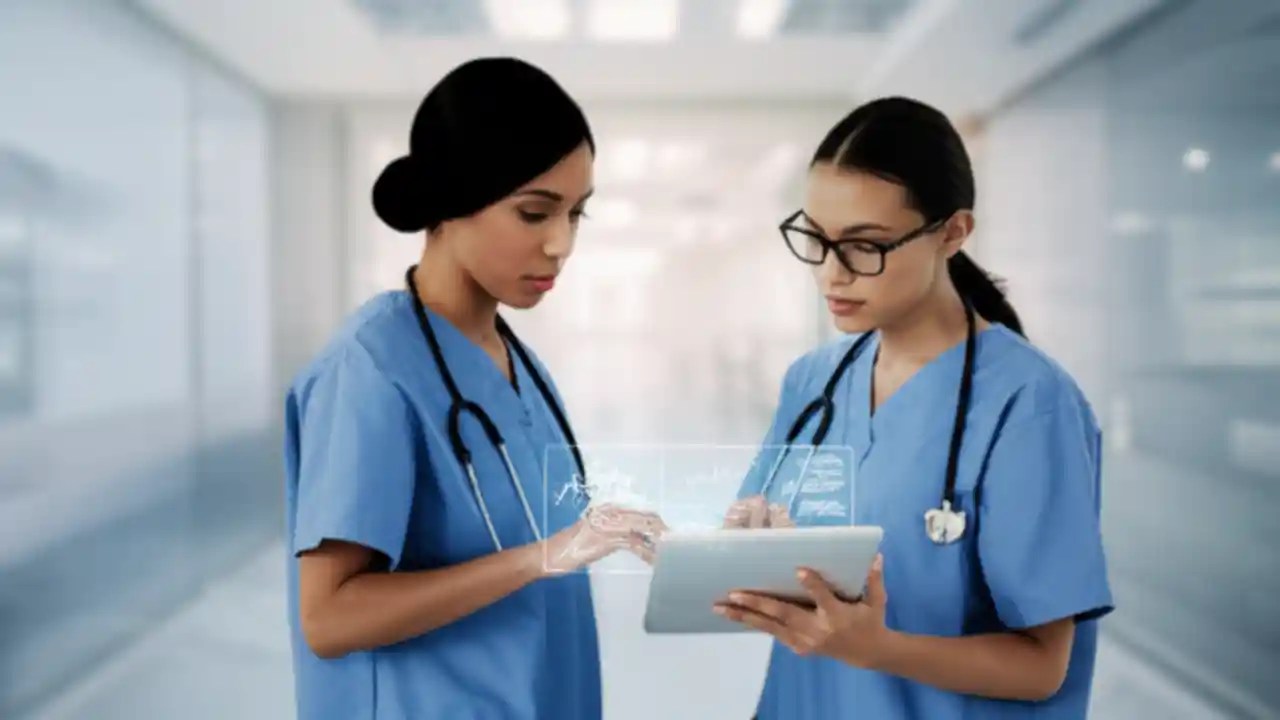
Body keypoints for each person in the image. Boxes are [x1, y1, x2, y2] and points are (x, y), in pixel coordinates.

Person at [282, 57, 662, 720]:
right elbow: (330, 617)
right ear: (452, 203)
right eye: (535, 213)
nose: (560, 245)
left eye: (577, 215)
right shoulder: (369, 372)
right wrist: (543, 557)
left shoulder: (521, 366)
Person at [716, 97, 1114, 718]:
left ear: (952, 232)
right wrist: (742, 550)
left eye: (864, 246)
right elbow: (771, 546)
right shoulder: (813, 382)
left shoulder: (1029, 404)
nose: (830, 273)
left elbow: (1041, 667)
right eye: (816, 240)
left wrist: (877, 648)